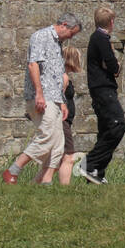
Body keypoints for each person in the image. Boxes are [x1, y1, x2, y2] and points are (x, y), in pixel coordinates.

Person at [3, 13, 83, 185]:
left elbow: (55, 75)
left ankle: (46, 182)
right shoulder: (41, 36)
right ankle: (13, 170)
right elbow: (33, 65)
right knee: (47, 136)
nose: (71, 37)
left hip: (54, 98)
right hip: (42, 96)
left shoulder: (57, 44)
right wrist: (39, 94)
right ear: (64, 25)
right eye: (71, 33)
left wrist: (62, 102)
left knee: (58, 143)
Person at [77, 6, 125, 185]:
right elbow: (112, 65)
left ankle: (96, 171)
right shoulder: (101, 38)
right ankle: (90, 164)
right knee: (118, 125)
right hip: (103, 89)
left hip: (101, 89)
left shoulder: (97, 38)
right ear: (111, 22)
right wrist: (116, 67)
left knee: (106, 129)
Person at [56, 47, 83, 186]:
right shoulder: (63, 77)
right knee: (69, 156)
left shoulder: (62, 75)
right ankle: (64, 188)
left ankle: (40, 182)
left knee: (56, 157)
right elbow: (58, 97)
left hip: (64, 121)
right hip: (62, 121)